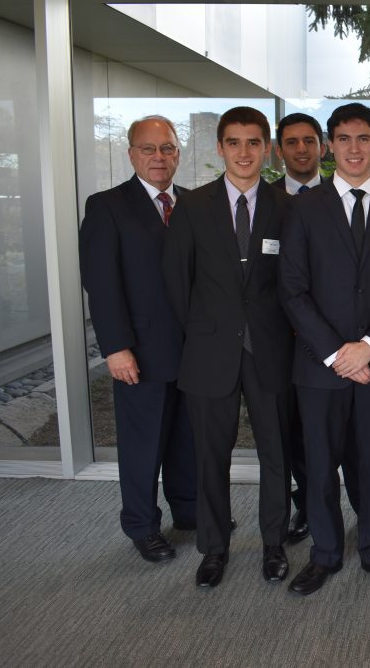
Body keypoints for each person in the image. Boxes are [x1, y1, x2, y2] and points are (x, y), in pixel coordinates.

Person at [280, 103, 370, 596]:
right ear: (328, 145)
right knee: (319, 465)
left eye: (363, 139)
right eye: (343, 139)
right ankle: (324, 554)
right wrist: (338, 354)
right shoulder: (301, 209)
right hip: (320, 369)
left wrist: (368, 348)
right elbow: (292, 290)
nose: (354, 149)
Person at [162, 106, 294, 588]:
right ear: (220, 148)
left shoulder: (287, 208)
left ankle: (274, 543)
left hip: (270, 353)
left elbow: (294, 283)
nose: (243, 152)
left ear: (267, 149)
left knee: (275, 454)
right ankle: (213, 548)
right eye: (234, 142)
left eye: (253, 142)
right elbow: (177, 286)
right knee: (209, 457)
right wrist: (207, 332)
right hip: (209, 353)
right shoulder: (192, 208)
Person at [79, 116, 196, 563]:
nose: (158, 157)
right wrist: (115, 347)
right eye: (148, 149)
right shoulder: (107, 206)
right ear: (130, 154)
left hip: (192, 352)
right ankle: (142, 526)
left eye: (166, 148)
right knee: (143, 444)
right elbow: (101, 284)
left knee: (187, 439)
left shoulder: (190, 204)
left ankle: (188, 512)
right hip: (140, 353)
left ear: (178, 154)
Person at [271, 112, 333, 545]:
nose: (301, 149)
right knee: (293, 431)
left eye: (309, 141)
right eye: (291, 142)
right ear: (279, 149)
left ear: (322, 147)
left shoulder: (339, 197)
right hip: (278, 338)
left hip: (328, 339)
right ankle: (305, 507)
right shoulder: (266, 200)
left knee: (333, 434)